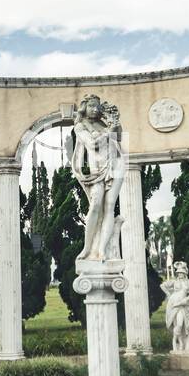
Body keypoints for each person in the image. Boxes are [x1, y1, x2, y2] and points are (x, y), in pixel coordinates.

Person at [70, 94, 125, 262]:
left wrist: (115, 123)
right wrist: (109, 132)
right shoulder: (80, 126)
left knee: (109, 207)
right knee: (95, 206)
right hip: (96, 169)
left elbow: (120, 137)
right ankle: (87, 249)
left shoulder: (103, 123)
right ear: (84, 107)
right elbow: (92, 144)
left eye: (97, 106)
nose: (95, 109)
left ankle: (102, 250)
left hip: (115, 164)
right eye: (91, 105)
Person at [161, 261, 189, 354]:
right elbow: (162, 285)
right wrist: (169, 294)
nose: (180, 274)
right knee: (176, 324)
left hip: (182, 305)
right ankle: (178, 344)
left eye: (182, 272)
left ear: (185, 273)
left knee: (180, 324)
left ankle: (181, 343)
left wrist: (186, 299)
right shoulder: (174, 282)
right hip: (173, 305)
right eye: (179, 273)